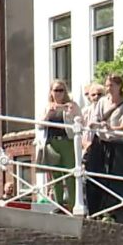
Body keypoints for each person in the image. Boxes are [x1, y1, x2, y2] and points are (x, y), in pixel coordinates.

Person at [37, 79, 81, 208]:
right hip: (52, 142)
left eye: (61, 90)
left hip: (67, 141)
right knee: (56, 175)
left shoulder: (72, 105)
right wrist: (47, 115)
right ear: (51, 92)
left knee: (70, 174)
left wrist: (71, 113)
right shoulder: (47, 106)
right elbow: (39, 126)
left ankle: (73, 205)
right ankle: (59, 205)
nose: (58, 93)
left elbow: (80, 123)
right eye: (55, 90)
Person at [93, 73, 123, 139]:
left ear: (119, 86)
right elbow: (96, 119)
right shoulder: (102, 101)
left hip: (117, 142)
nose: (108, 88)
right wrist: (97, 124)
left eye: (111, 85)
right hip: (101, 141)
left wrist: (111, 128)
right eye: (107, 86)